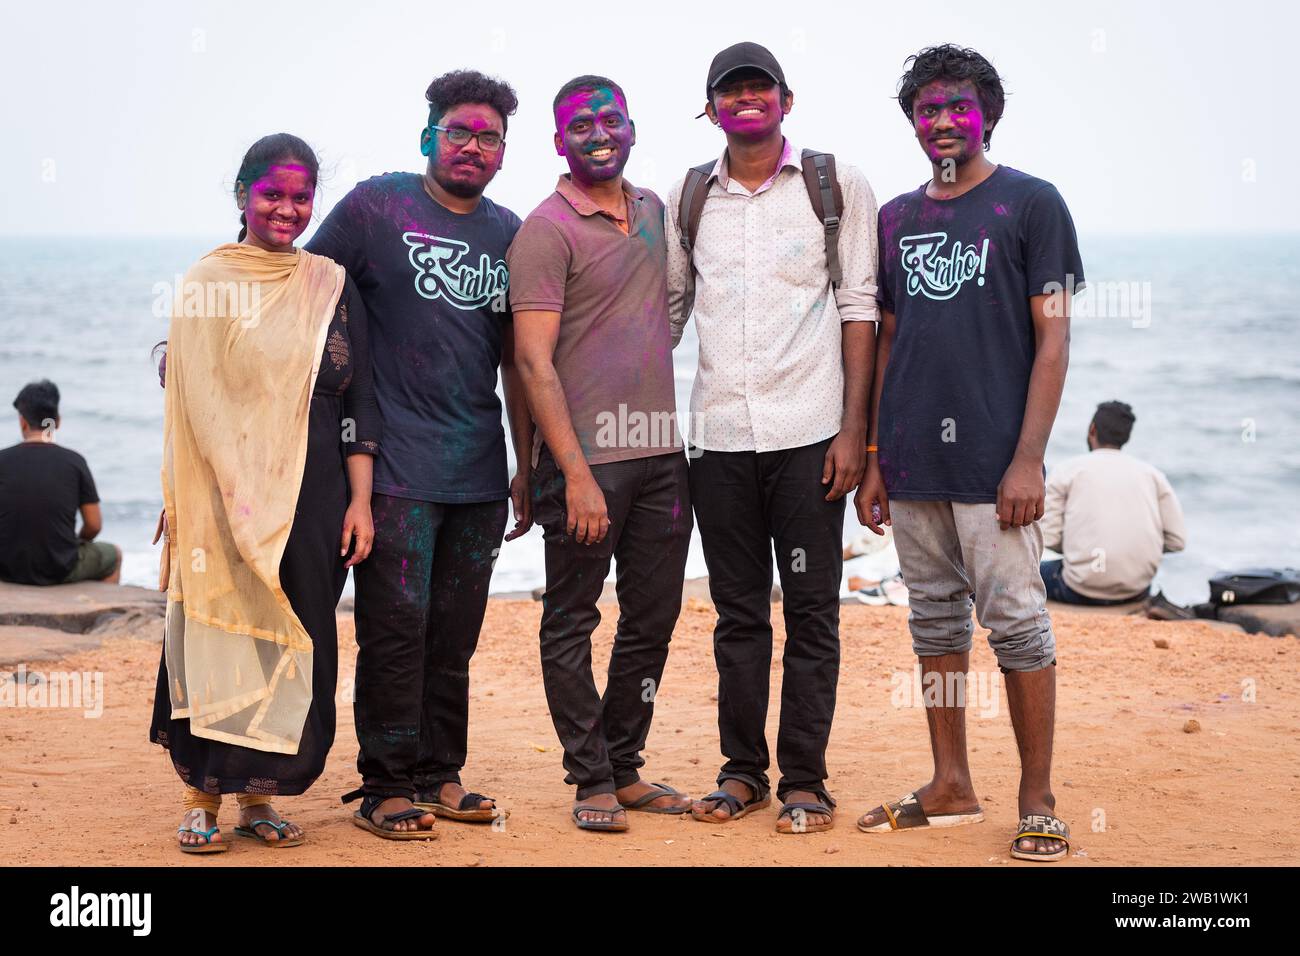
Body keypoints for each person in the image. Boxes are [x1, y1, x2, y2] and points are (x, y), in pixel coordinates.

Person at [854, 45, 1084, 861]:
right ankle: (950, 782)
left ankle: (1038, 797)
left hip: (995, 463)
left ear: (987, 114)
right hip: (914, 459)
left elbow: (1054, 338)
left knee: (1018, 625)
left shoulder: (1032, 205)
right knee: (936, 625)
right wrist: (877, 455)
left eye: (956, 106)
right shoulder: (895, 219)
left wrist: (1028, 459)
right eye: (926, 109)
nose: (941, 121)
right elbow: (887, 340)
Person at [306, 70, 531, 839]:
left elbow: (519, 360)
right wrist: (209, 335)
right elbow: (296, 285)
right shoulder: (376, 206)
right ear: (427, 135)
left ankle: (441, 774)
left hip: (477, 471)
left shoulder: (509, 232)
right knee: (394, 630)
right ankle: (384, 787)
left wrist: (525, 464)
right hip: (391, 467)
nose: (473, 145)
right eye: (459, 131)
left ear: (504, 151)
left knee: (454, 636)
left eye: (489, 136)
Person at [664, 42, 879, 834]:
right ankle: (741, 771)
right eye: (730, 90)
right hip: (718, 440)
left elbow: (860, 305)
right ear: (711, 107)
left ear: (786, 100)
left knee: (814, 613)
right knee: (738, 615)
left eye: (759, 88)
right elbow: (669, 313)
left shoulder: (834, 184)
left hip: (810, 433)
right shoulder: (688, 197)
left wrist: (855, 432)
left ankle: (805, 780)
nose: (746, 99)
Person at [150, 133, 380, 853]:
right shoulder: (206, 281)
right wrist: (184, 499)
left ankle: (259, 796)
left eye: (301, 196)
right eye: (272, 194)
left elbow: (360, 403)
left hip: (312, 497)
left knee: (296, 638)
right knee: (221, 633)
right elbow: (191, 405)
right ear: (242, 196)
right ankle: (201, 797)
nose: (287, 209)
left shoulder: (329, 283)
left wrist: (360, 500)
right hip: (225, 498)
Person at [509, 75, 693, 832]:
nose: (597, 131)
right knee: (573, 619)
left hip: (660, 453)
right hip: (586, 461)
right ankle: (590, 780)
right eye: (579, 123)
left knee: (653, 616)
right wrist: (572, 474)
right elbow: (531, 361)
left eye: (610, 118)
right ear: (559, 142)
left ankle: (624, 765)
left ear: (631, 129)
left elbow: (670, 312)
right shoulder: (544, 230)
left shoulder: (653, 210)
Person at [1040, 401, 1186, 604]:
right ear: (1126, 436)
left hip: (1079, 588)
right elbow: (1177, 541)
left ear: (1092, 430)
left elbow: (1047, 536)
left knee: (1032, 573)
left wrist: (1082, 545)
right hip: (1136, 590)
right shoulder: (1153, 475)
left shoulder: (1068, 470)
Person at [0, 381, 121, 586]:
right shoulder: (74, 462)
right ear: (57, 422)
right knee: (114, 556)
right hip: (58, 567)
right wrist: (75, 543)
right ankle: (103, 612)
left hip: (6, 567)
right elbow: (93, 525)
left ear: (22, 422)